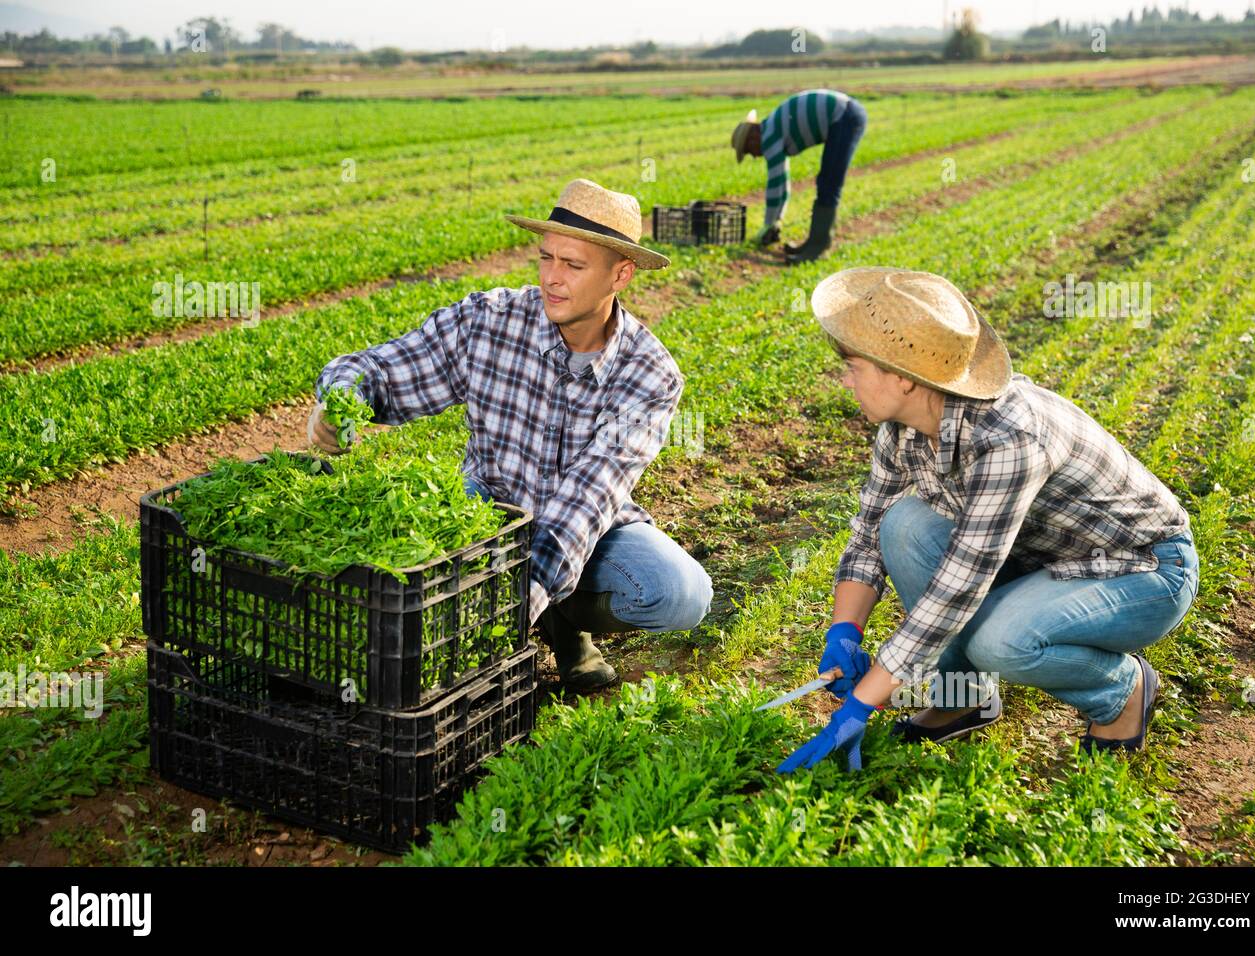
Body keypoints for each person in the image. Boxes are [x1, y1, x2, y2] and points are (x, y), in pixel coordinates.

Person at [778, 267, 1200, 772]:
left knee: (1002, 641)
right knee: (904, 524)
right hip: (1035, 558)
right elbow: (869, 532)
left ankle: (1122, 691)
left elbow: (958, 587)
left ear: (902, 377)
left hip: (1141, 570)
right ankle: (962, 694)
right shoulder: (904, 426)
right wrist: (843, 631)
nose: (844, 378)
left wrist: (861, 703)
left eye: (852, 365)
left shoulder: (1010, 437)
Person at [308, 178, 713, 692]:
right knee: (406, 552)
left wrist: (526, 595)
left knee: (680, 591)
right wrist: (344, 403)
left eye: (574, 265)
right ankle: (530, 614)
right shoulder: (489, 320)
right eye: (546, 258)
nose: (553, 278)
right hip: (486, 510)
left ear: (621, 274)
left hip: (590, 531)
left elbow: (590, 493)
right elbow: (381, 368)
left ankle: (559, 621)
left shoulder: (649, 372)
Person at [730, 88, 868, 264]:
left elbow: (775, 185)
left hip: (845, 117)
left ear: (752, 138)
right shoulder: (773, 128)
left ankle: (817, 248)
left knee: (829, 183)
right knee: (826, 181)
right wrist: (776, 221)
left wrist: (768, 224)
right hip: (845, 114)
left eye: (749, 151)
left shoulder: (769, 138)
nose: (756, 156)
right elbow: (783, 182)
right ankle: (814, 243)